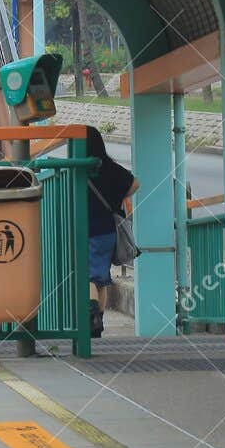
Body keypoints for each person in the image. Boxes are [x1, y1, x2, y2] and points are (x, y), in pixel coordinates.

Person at [85, 126, 136, 339]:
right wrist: (117, 200)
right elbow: (135, 184)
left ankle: (91, 318)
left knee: (85, 276)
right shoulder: (109, 167)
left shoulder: (78, 168)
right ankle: (98, 320)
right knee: (101, 279)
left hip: (85, 230)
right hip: (107, 231)